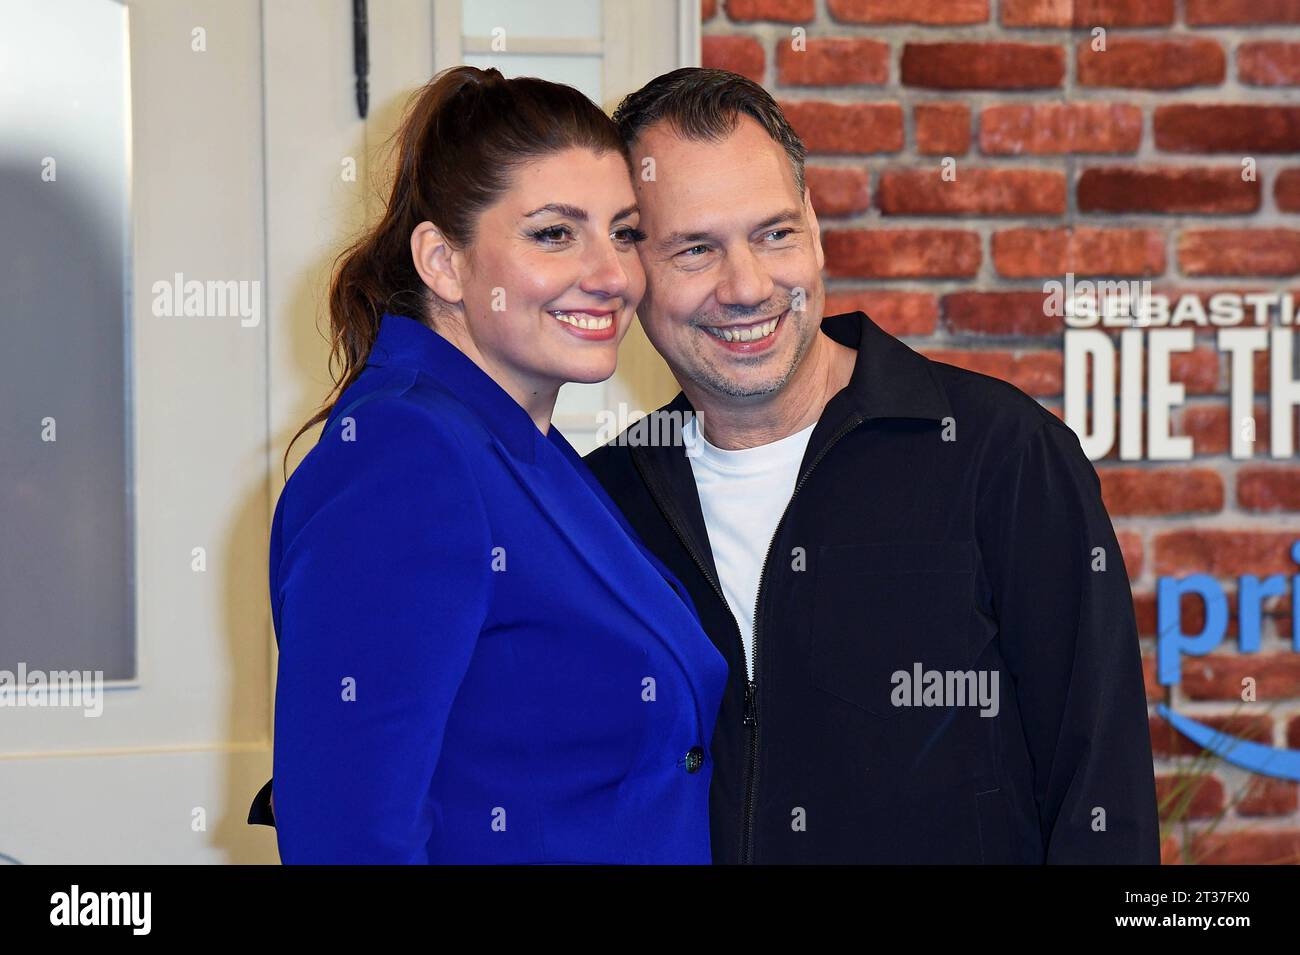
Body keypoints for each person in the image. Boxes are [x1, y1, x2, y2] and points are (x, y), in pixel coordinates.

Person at [583, 68, 1161, 864]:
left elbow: (1103, 795)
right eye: (694, 249)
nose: (747, 285)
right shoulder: (598, 501)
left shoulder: (1003, 453)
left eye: (775, 233)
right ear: (631, 267)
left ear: (815, 227)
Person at [246, 65, 726, 864]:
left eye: (624, 231)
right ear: (442, 261)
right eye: (553, 232)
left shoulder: (521, 447)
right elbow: (352, 836)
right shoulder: (407, 458)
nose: (611, 274)